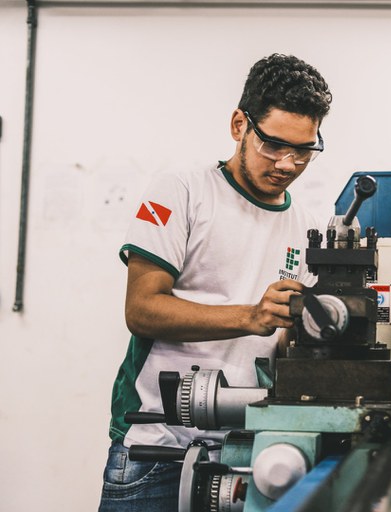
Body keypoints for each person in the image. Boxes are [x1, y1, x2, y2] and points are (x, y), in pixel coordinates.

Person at [98, 53, 332, 511]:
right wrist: (251, 316)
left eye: (304, 151)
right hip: (157, 447)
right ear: (239, 125)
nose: (287, 164)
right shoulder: (183, 191)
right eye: (274, 145)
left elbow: (286, 347)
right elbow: (142, 309)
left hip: (249, 451)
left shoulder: (307, 228)